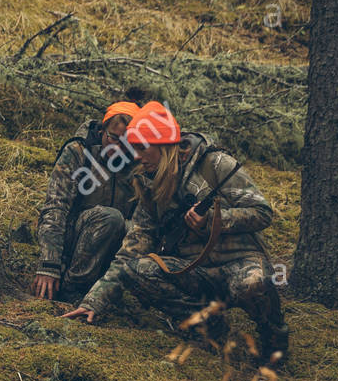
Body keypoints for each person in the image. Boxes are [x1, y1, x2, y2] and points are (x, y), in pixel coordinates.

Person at [61, 101, 289, 365]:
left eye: (142, 147)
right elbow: (130, 251)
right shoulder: (149, 186)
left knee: (252, 283)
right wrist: (93, 302)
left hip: (240, 263)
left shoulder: (215, 164)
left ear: (165, 146)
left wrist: (216, 220)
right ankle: (208, 328)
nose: (135, 156)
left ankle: (274, 337)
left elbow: (262, 212)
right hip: (194, 271)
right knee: (138, 270)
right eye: (133, 148)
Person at [32, 101, 142, 303]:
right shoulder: (79, 152)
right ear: (102, 130)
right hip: (73, 238)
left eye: (126, 143)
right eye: (113, 138)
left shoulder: (140, 165)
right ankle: (72, 289)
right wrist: (49, 264)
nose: (118, 147)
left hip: (114, 248)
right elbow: (55, 207)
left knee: (132, 227)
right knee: (110, 217)